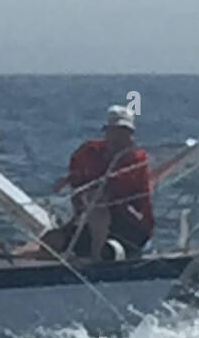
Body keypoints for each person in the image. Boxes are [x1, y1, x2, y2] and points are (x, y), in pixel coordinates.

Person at [42, 105, 153, 260]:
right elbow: (77, 175)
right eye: (115, 132)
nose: (120, 138)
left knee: (99, 207)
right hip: (88, 219)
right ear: (106, 132)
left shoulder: (136, 159)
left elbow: (118, 190)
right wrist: (69, 181)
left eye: (125, 133)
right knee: (51, 241)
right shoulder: (89, 151)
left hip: (126, 224)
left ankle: (96, 257)